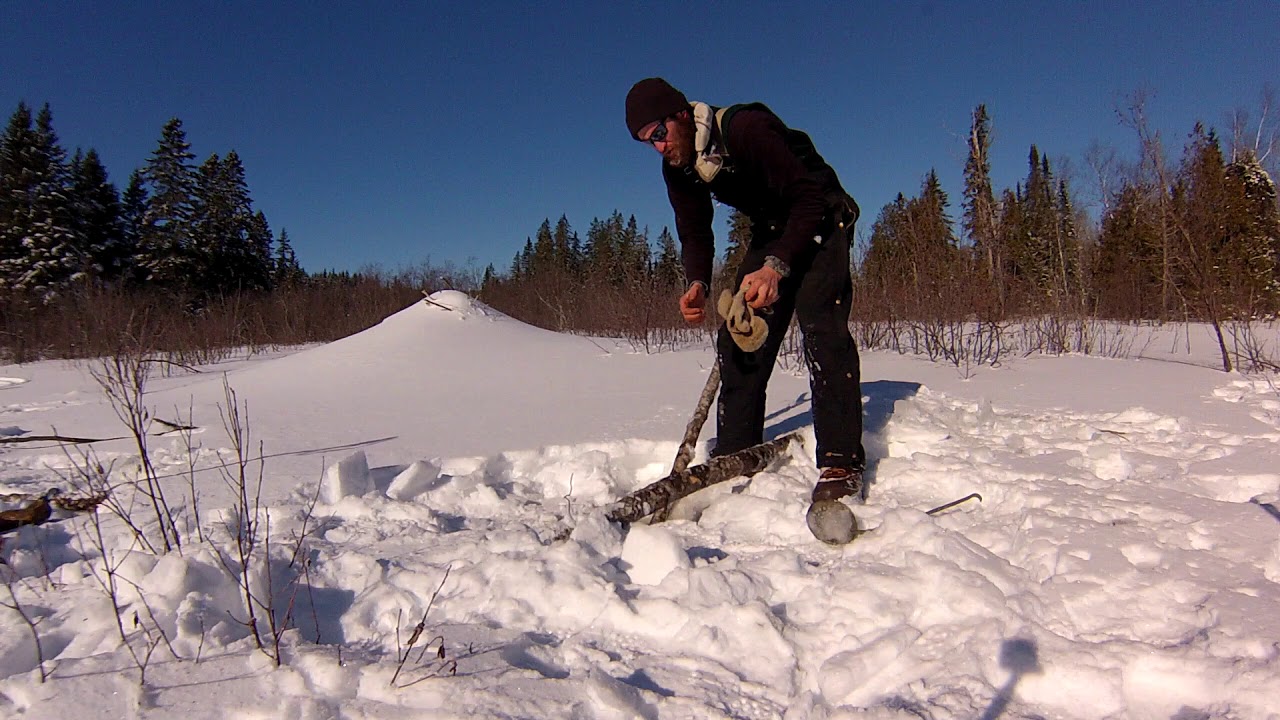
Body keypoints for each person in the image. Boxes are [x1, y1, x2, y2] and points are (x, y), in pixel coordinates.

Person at [625, 77, 867, 504]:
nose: (659, 146)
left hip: (820, 216)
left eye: (660, 132)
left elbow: (808, 198)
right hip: (771, 229)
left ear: (681, 114)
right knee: (738, 337)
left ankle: (841, 461)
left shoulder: (744, 129)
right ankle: (735, 454)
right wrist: (697, 283)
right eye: (648, 142)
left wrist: (776, 267)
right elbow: (695, 230)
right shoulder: (678, 166)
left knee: (822, 332)